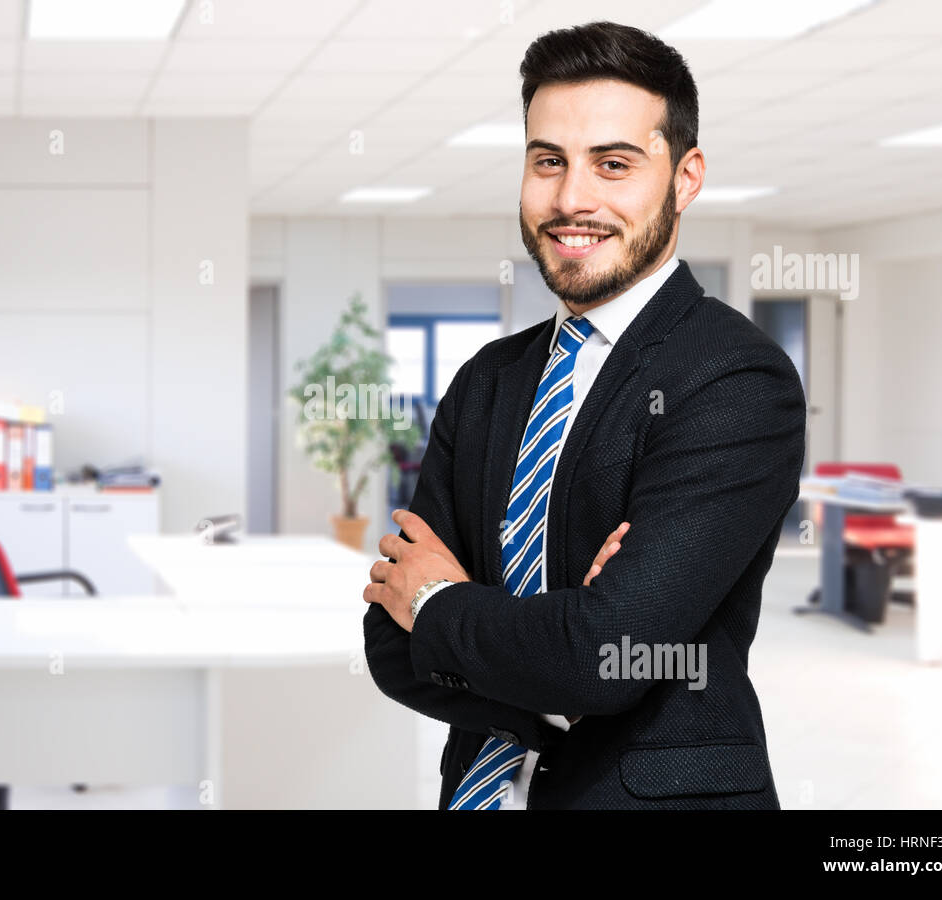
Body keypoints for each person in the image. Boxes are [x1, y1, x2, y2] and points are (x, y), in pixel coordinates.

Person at [362, 20, 805, 810]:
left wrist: (442, 604)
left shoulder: (734, 377)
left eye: (614, 164)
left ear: (686, 177)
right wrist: (560, 665)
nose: (572, 199)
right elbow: (390, 648)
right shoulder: (486, 381)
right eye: (548, 162)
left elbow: (610, 651)